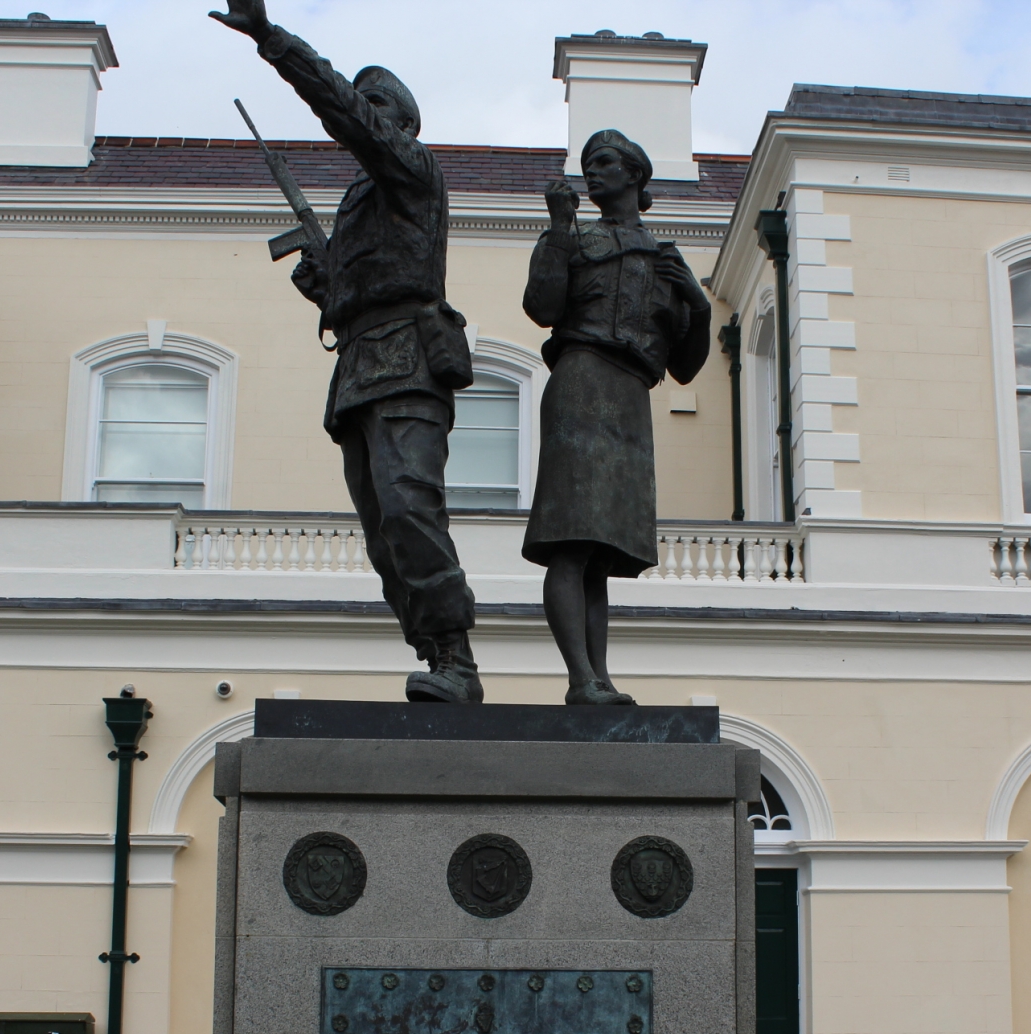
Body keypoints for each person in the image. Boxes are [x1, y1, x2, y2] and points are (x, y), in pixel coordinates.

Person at [212, 0, 481, 702]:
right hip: (359, 367)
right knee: (381, 533)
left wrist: (274, 42)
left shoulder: (412, 170)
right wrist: (324, 283)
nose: (361, 112)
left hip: (407, 361)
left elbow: (342, 111)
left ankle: (457, 658)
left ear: (397, 121)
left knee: (408, 509)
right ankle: (431, 653)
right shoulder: (362, 200)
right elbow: (355, 291)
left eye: (372, 104)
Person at [521, 130, 711, 705]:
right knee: (570, 542)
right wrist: (557, 229)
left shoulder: (664, 258)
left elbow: (686, 367)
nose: (592, 174)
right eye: (588, 165)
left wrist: (698, 306)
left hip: (631, 396)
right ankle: (581, 678)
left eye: (603, 163)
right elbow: (542, 307)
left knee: (598, 555)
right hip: (581, 381)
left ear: (635, 174)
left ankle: (597, 679)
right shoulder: (571, 236)